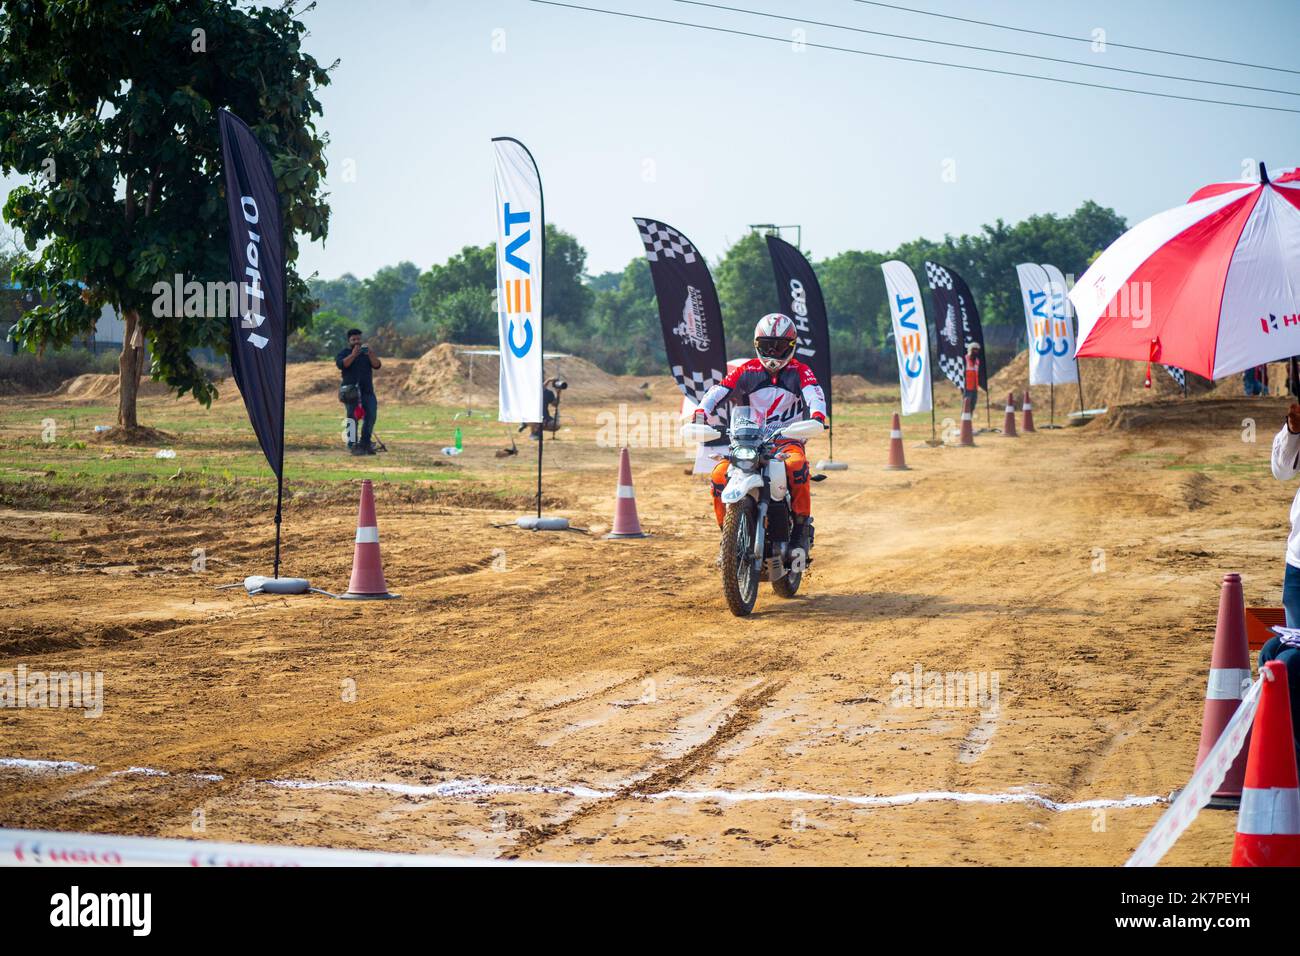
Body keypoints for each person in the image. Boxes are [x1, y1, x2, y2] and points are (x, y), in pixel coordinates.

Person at [692, 313, 827, 554]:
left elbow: (814, 395)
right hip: (748, 440)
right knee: (719, 475)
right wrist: (702, 411)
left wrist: (817, 417)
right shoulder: (747, 370)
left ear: (792, 347)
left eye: (780, 347)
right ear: (757, 345)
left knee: (797, 466)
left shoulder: (801, 371)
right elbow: (718, 390)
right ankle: (728, 539)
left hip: (786, 440)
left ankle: (800, 531)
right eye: (767, 347)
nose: (773, 353)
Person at [1262, 401, 1300, 760]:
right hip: (1298, 565)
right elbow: (1282, 471)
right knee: (1276, 655)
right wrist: (1293, 429)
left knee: (1292, 666)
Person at [336, 328, 381, 455]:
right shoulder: (344, 352)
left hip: (367, 391)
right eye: (353, 340)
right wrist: (354, 355)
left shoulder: (366, 353)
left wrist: (371, 354)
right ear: (349, 341)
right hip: (351, 392)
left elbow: (377, 365)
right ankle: (352, 444)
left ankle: (365, 443)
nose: (356, 342)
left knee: (371, 415)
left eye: (358, 339)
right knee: (352, 418)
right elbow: (342, 364)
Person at [963, 342, 982, 413]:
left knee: (973, 405)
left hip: (975, 387)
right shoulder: (965, 359)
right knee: (966, 405)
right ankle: (964, 421)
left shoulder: (977, 361)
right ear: (970, 350)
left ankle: (969, 420)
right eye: (974, 350)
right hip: (967, 387)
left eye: (977, 350)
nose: (976, 351)